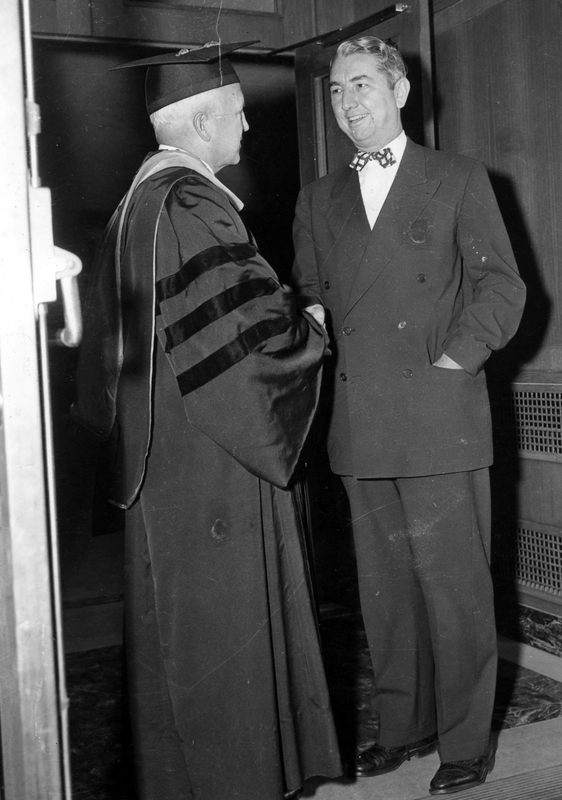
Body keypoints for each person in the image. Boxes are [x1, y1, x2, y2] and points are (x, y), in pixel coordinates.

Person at [73, 41, 341, 800]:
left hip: (161, 463)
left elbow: (102, 369)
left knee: (180, 649)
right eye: (237, 114)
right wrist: (310, 326)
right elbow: (247, 340)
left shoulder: (133, 208)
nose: (248, 130)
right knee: (226, 646)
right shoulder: (191, 205)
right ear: (197, 122)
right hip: (213, 456)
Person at [292, 36, 526, 796]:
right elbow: (314, 295)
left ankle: (465, 742)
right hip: (361, 422)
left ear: (399, 91)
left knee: (454, 591)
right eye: (335, 91)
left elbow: (502, 289)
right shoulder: (316, 198)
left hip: (437, 415)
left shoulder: (455, 179)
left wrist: (455, 361)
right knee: (385, 591)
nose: (348, 102)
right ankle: (404, 728)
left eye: (361, 84)